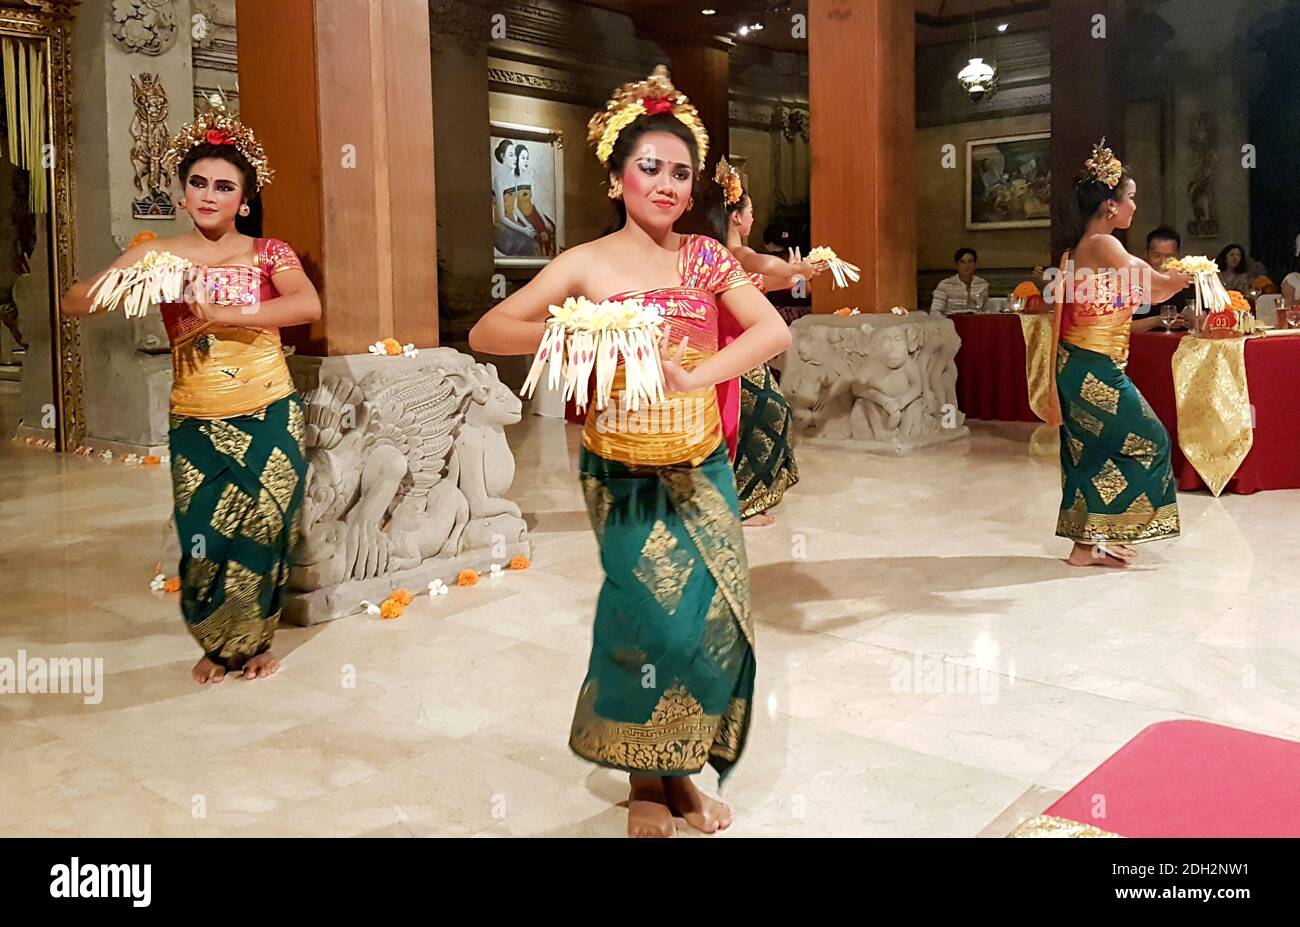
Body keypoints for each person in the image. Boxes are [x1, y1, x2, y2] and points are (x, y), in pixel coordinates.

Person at [469, 67, 790, 838]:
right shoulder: (585, 263)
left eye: (681, 172)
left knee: (711, 616)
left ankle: (682, 768)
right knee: (649, 619)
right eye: (650, 167)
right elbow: (489, 332)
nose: (668, 184)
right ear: (616, 179)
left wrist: (695, 372)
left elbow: (771, 332)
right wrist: (588, 333)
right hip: (622, 468)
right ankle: (649, 781)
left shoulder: (707, 259)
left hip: (701, 461)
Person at [62, 108, 321, 682]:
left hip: (269, 409)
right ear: (183, 193)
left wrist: (225, 311)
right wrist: (134, 279)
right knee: (203, 532)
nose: (209, 195)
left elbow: (306, 306)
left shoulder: (268, 253)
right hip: (196, 415)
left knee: (265, 524)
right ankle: (213, 641)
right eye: (198, 183)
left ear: (244, 200)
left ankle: (255, 643)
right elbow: (75, 300)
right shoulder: (159, 253)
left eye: (224, 186)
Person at [1046, 139, 1190, 568]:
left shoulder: (1083, 247)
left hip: (1081, 365)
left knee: (1089, 452)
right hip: (1093, 368)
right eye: (1130, 199)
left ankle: (1083, 546)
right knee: (1152, 440)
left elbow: (1147, 284)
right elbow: (1152, 286)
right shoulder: (1104, 245)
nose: (1134, 207)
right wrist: (1181, 277)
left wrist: (1171, 279)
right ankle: (1110, 527)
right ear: (1109, 205)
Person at [704, 158, 823, 527]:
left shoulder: (737, 261)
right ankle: (739, 502)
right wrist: (793, 269)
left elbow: (768, 280)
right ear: (737, 217)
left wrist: (800, 274)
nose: (754, 218)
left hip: (745, 351)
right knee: (763, 416)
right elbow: (765, 266)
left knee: (768, 415)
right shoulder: (731, 253)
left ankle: (745, 498)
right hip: (730, 351)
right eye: (750, 212)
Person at [1132, 226, 1189, 333]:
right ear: (1146, 254)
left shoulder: (1185, 282)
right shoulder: (1131, 282)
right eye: (1156, 255)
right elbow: (1119, 327)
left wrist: (1192, 320)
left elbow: (1202, 322)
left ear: (1178, 256)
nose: (1162, 261)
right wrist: (1156, 321)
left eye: (1169, 256)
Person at [492, 140, 536, 257]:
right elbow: (502, 217)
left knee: (533, 238)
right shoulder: (498, 180)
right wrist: (524, 230)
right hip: (501, 229)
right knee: (525, 241)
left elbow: (515, 208)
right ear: (502, 157)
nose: (515, 158)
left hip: (512, 224)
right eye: (511, 155)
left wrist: (527, 225)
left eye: (515, 155)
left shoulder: (513, 179)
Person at [514, 143, 557, 258]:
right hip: (523, 216)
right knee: (542, 235)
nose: (526, 161)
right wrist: (527, 224)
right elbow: (515, 207)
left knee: (552, 227)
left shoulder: (529, 178)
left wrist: (544, 220)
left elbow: (534, 201)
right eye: (523, 158)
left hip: (533, 213)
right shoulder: (512, 179)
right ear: (517, 159)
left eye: (527, 158)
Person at [930, 247, 989, 313]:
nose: (966, 265)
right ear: (956, 265)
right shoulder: (945, 284)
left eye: (970, 261)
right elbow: (935, 311)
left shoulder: (982, 284)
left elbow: (985, 309)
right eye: (962, 262)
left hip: (977, 320)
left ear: (975, 265)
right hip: (952, 321)